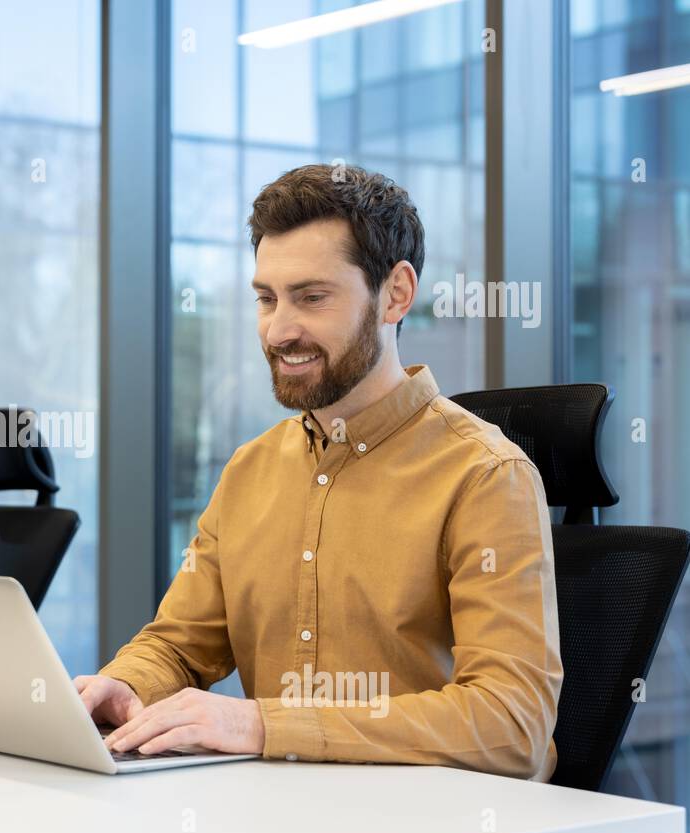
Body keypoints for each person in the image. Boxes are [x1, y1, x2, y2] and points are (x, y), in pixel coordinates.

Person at [76, 164, 563, 782]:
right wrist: (123, 684)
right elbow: (178, 642)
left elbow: (512, 723)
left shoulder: (485, 476)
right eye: (266, 298)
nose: (279, 330)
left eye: (311, 297)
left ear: (396, 293)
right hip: (279, 820)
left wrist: (262, 724)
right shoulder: (251, 469)